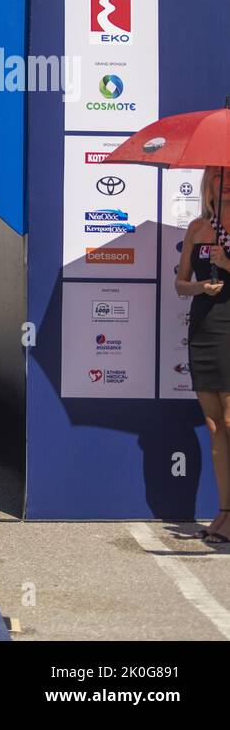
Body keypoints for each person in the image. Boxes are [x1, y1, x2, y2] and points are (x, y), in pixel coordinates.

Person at [176, 167, 230, 543]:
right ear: (209, 183)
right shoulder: (197, 228)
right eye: (219, 175)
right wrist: (199, 287)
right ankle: (224, 512)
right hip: (203, 327)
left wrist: (228, 265)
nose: (224, 181)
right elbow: (180, 283)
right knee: (214, 427)